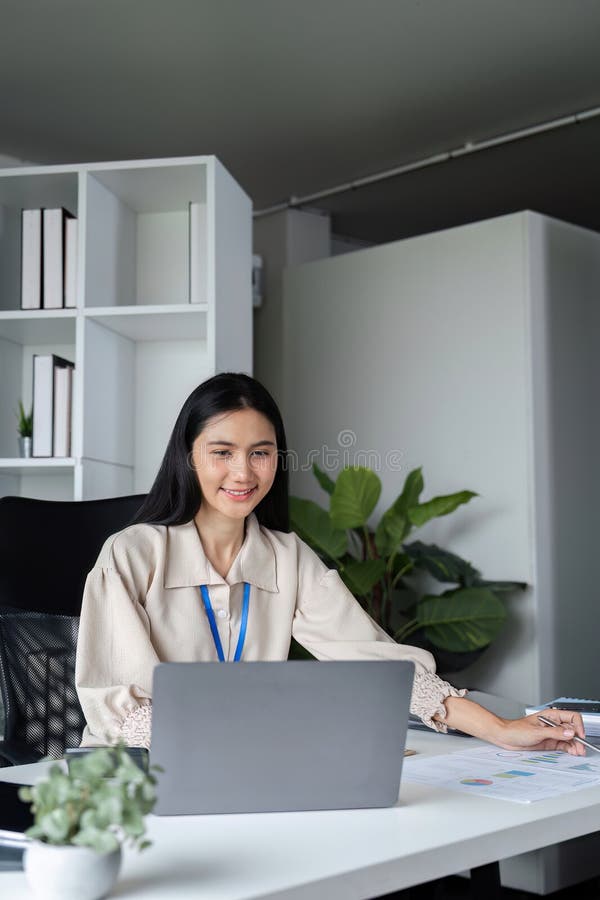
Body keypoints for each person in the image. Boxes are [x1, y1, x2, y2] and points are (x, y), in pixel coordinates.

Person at [75, 373, 585, 754]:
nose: (242, 472)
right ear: (188, 457)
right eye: (222, 451)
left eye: (261, 453)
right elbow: (122, 712)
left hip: (245, 765)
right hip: (136, 778)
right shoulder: (131, 555)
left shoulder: (288, 558)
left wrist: (500, 730)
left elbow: (378, 662)